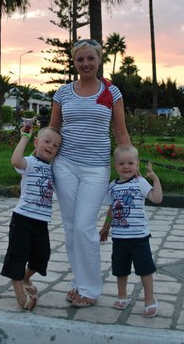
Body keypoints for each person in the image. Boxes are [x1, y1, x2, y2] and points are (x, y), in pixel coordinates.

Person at [49, 38, 133, 308]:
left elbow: (121, 133)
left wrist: (130, 167)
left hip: (96, 168)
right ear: (74, 62)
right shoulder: (62, 94)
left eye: (90, 59)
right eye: (80, 59)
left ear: (99, 60)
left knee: (84, 226)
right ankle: (79, 282)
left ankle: (91, 289)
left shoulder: (111, 92)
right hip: (65, 166)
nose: (85, 64)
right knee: (71, 227)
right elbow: (53, 131)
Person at [1, 125, 62, 311]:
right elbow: (15, 160)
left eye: (55, 145)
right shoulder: (30, 163)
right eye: (47, 141)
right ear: (36, 142)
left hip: (41, 222)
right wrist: (24, 137)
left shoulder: (52, 169)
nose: (50, 146)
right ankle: (20, 297)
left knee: (42, 256)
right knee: (18, 257)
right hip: (22, 219)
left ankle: (26, 278)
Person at [99, 146, 163, 316]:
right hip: (119, 238)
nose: (126, 167)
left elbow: (157, 199)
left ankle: (149, 299)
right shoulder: (112, 187)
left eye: (130, 163)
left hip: (139, 237)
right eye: (121, 163)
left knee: (145, 269)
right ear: (115, 166)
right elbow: (112, 209)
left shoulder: (140, 182)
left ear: (137, 164)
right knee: (120, 269)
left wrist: (155, 180)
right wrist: (106, 227)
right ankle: (122, 296)